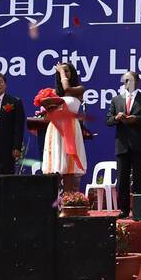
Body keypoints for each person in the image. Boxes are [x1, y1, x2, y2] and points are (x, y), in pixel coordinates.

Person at [105, 71, 141, 219]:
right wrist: (116, 118)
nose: (128, 83)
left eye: (131, 80)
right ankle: (124, 210)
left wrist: (136, 119)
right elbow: (108, 120)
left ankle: (139, 211)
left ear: (137, 82)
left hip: (140, 145)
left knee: (139, 180)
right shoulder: (116, 100)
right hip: (122, 145)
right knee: (122, 180)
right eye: (125, 81)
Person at [41, 62, 87, 192]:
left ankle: (67, 200)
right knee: (55, 166)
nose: (64, 73)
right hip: (55, 130)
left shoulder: (79, 89)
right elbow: (47, 118)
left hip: (70, 128)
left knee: (69, 167)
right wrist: (48, 108)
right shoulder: (54, 93)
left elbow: (67, 89)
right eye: (62, 71)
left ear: (72, 73)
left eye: (67, 71)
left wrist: (60, 71)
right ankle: (54, 203)